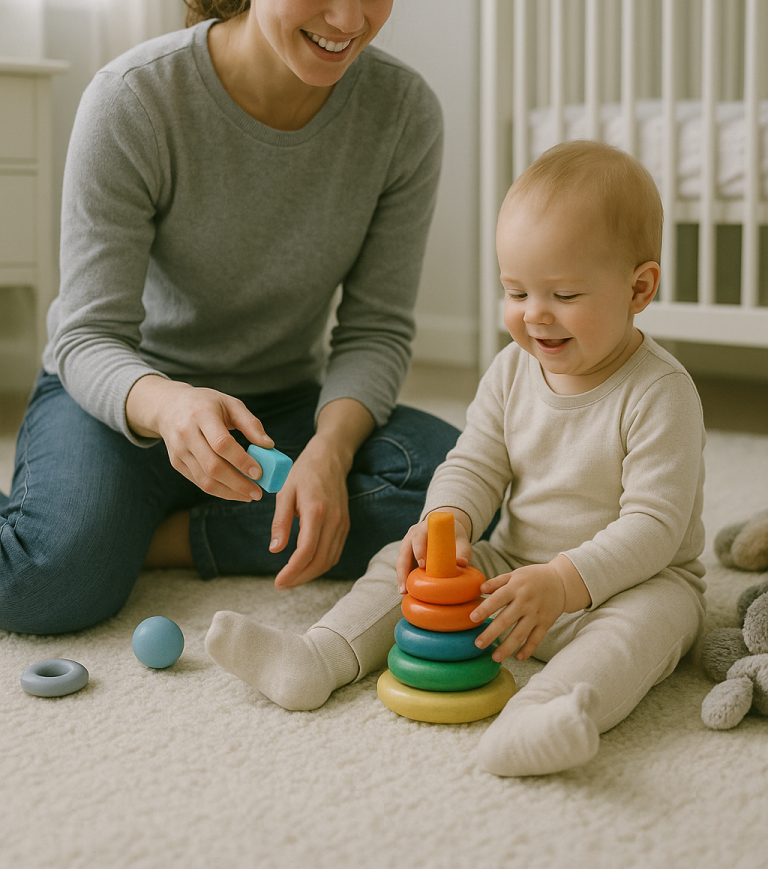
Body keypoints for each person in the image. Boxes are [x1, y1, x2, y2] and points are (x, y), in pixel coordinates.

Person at [1, 0, 461, 636]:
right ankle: (106, 528)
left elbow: (377, 329)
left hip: (284, 410)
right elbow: (84, 338)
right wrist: (171, 408)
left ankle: (159, 540)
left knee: (457, 493)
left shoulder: (403, 115)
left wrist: (327, 448)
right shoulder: (135, 101)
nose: (349, 19)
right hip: (127, 400)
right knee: (48, 583)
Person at [205, 140, 707, 778]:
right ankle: (318, 658)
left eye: (565, 295)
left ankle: (541, 715)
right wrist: (449, 522)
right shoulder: (511, 370)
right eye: (516, 292)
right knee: (399, 561)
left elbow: (654, 528)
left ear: (640, 288)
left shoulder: (661, 392)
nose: (535, 317)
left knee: (646, 626)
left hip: (632, 583)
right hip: (514, 569)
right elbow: (474, 462)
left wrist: (563, 583)